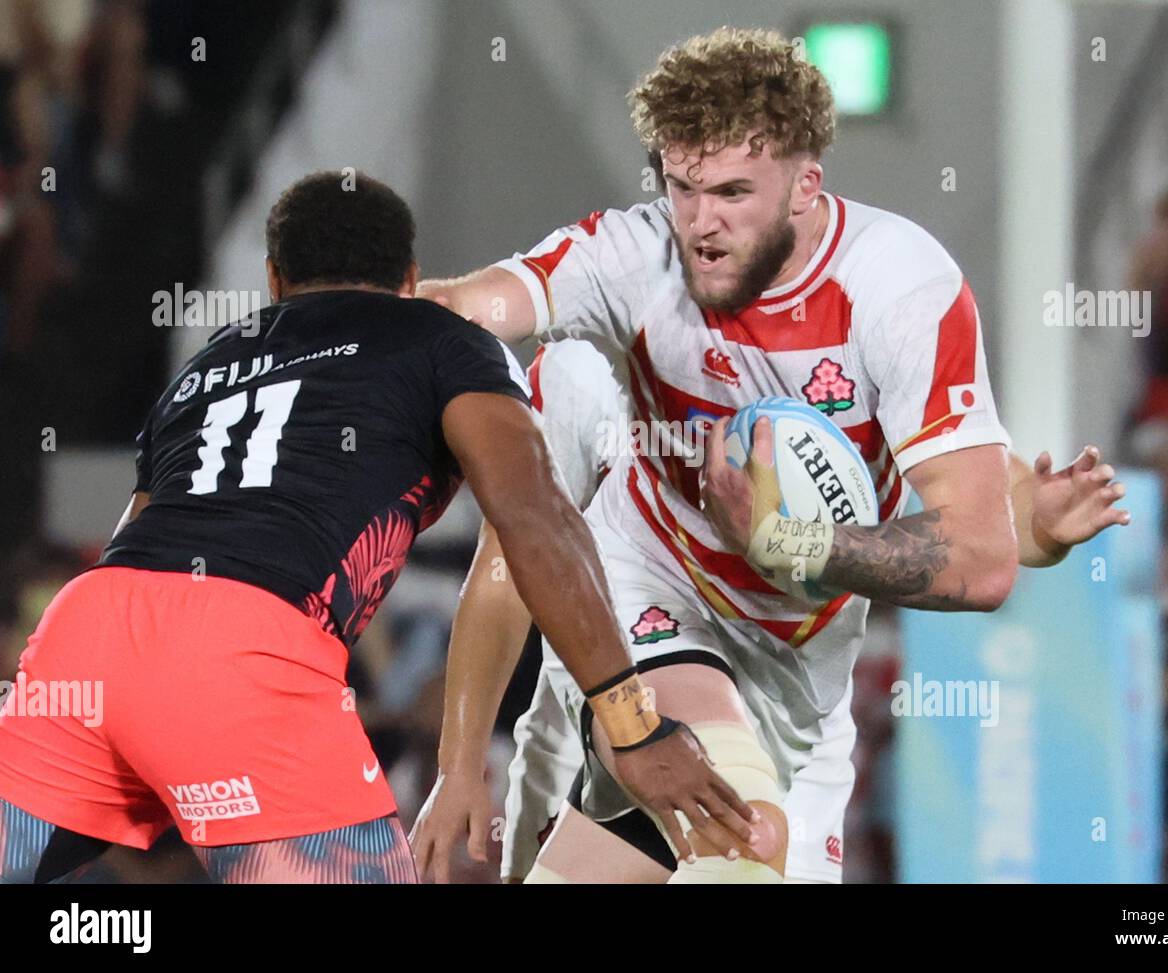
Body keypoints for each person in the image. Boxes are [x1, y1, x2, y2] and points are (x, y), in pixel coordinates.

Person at [412, 27, 1129, 883]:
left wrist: (799, 540)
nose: (701, 224)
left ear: (805, 185)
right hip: (646, 593)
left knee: (734, 845)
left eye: (731, 192)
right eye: (682, 189)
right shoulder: (630, 260)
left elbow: (981, 559)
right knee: (744, 840)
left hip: (798, 679)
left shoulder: (900, 290)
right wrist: (356, 316)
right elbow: (469, 305)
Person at [0, 170, 754, 885]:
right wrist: (633, 724)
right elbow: (535, 519)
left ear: (273, 280)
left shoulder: (204, 368)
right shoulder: (442, 338)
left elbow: (141, 533)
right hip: (244, 646)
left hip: (91, 626)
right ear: (411, 276)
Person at [412, 338, 1131, 883]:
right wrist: (460, 763)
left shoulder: (856, 338)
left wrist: (1038, 524)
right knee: (743, 834)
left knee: (745, 843)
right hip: (641, 649)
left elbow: (981, 505)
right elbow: (506, 564)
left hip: (793, 704)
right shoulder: (585, 366)